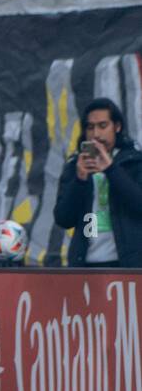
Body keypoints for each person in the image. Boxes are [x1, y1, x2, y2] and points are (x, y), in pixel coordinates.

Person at [53, 97, 142, 267]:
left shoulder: (135, 162)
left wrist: (111, 169)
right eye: (90, 127)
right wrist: (79, 179)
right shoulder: (75, 165)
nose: (96, 134)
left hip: (127, 265)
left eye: (103, 126)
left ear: (117, 127)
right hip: (86, 264)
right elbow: (64, 219)